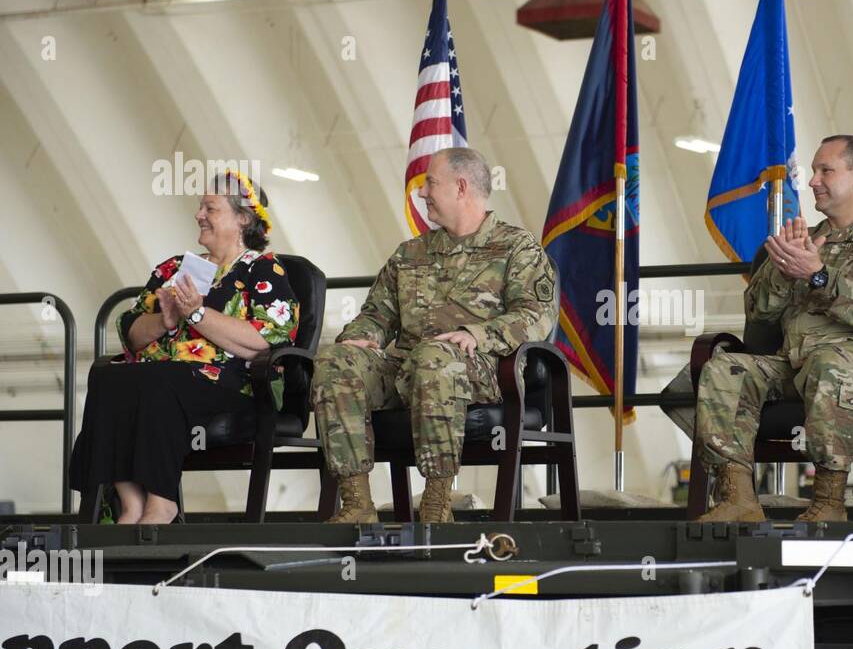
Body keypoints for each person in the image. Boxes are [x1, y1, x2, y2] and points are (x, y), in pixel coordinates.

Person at [311, 147, 558, 524]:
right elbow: (377, 313)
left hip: (481, 368)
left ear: (461, 187)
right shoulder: (410, 254)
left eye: (430, 183)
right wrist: (360, 337)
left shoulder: (516, 248)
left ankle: (437, 505)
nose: (422, 192)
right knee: (335, 360)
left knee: (434, 359)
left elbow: (536, 315)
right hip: (405, 367)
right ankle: (358, 504)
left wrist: (478, 333)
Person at [693, 135, 853, 522]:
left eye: (826, 170)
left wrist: (819, 276)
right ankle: (737, 497)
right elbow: (757, 311)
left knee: (828, 363)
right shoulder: (805, 239)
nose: (813, 180)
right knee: (725, 368)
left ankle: (828, 502)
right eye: (814, 171)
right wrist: (785, 275)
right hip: (792, 361)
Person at [70, 171, 299, 524]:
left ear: (243, 218)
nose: (199, 215)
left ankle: (161, 503)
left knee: (164, 379)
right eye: (200, 207)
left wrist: (197, 313)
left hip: (230, 381)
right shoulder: (174, 268)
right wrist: (165, 319)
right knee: (109, 377)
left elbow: (268, 339)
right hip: (166, 375)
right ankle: (130, 505)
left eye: (210, 207)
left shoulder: (262, 269)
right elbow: (130, 331)